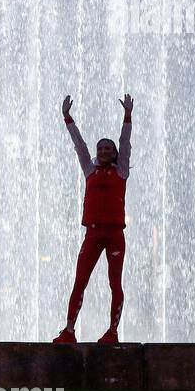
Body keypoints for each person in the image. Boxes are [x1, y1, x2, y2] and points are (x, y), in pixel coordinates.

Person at [53, 93, 134, 345]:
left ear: (115, 153)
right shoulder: (89, 169)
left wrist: (127, 117)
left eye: (108, 148)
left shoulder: (121, 171)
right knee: (80, 280)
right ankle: (68, 330)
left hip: (114, 235)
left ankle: (112, 331)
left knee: (115, 283)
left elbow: (126, 142)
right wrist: (68, 119)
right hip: (93, 233)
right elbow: (80, 145)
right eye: (101, 148)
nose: (103, 151)